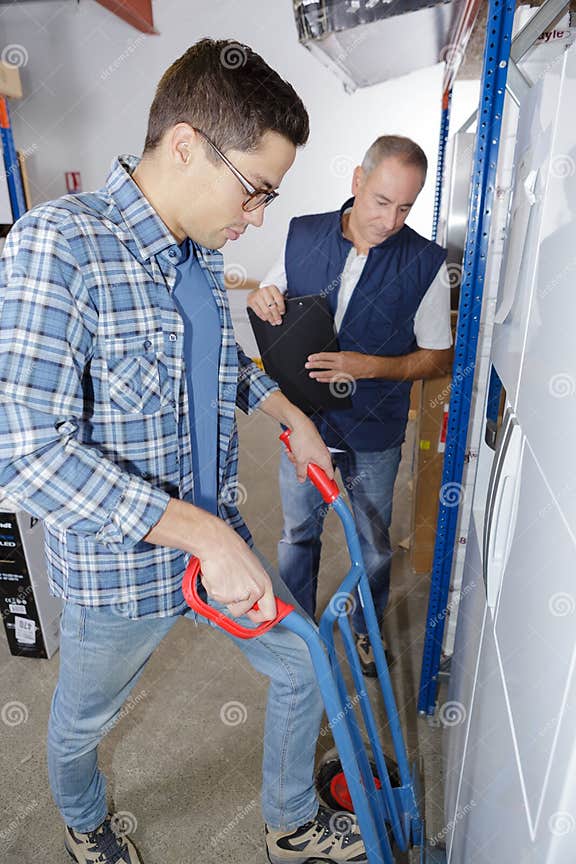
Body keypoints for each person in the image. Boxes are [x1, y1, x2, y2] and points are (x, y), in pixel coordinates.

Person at [0, 40, 369, 864]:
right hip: (120, 570)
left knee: (303, 665)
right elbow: (21, 453)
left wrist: (286, 415)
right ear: (185, 146)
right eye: (257, 190)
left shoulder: (199, 250)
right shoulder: (58, 245)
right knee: (80, 722)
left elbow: (220, 366)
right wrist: (199, 536)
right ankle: (83, 820)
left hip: (220, 530)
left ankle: (289, 823)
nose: (261, 216)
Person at [248, 136, 453, 676]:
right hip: (306, 421)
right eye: (382, 201)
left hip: (373, 428)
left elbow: (435, 358)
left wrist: (369, 366)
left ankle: (365, 630)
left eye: (406, 207)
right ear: (357, 182)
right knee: (298, 533)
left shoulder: (425, 262)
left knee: (373, 543)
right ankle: (294, 631)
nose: (391, 220)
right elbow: (269, 293)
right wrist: (261, 297)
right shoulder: (304, 235)